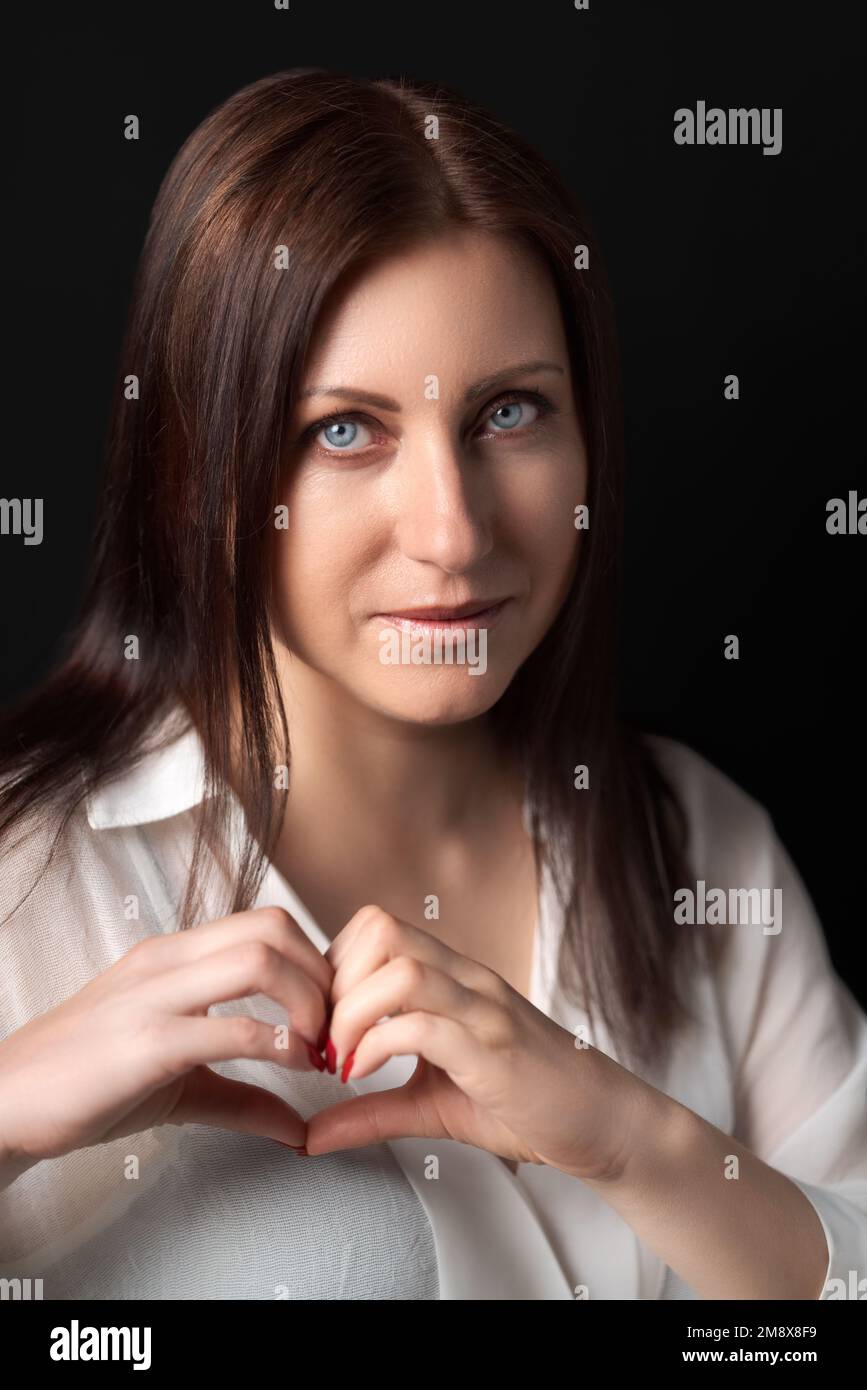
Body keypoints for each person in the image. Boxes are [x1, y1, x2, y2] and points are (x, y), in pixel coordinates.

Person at [0, 68, 864, 1301]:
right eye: (344, 430)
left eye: (511, 411)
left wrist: (632, 1138)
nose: (455, 534)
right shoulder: (22, 883)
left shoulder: (703, 845)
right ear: (196, 472)